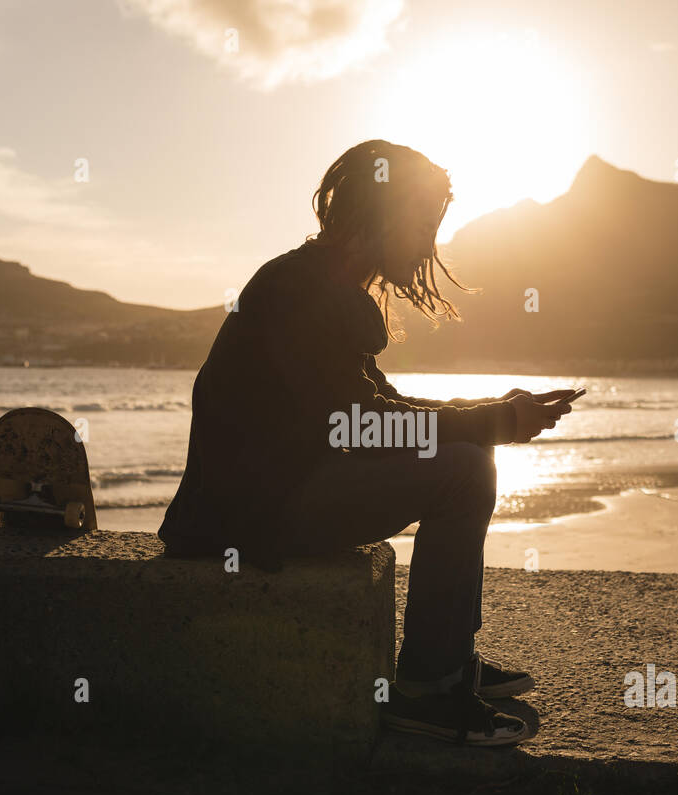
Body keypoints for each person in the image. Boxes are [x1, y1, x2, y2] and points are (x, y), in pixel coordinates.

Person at [158, 140, 575, 747]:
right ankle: (430, 689)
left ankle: (446, 660)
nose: (429, 244)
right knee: (463, 467)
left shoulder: (321, 282)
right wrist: (488, 422)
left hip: (272, 495)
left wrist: (488, 415)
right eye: (422, 224)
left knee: (469, 452)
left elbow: (381, 407)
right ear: (377, 217)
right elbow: (358, 423)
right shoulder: (300, 289)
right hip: (246, 517)